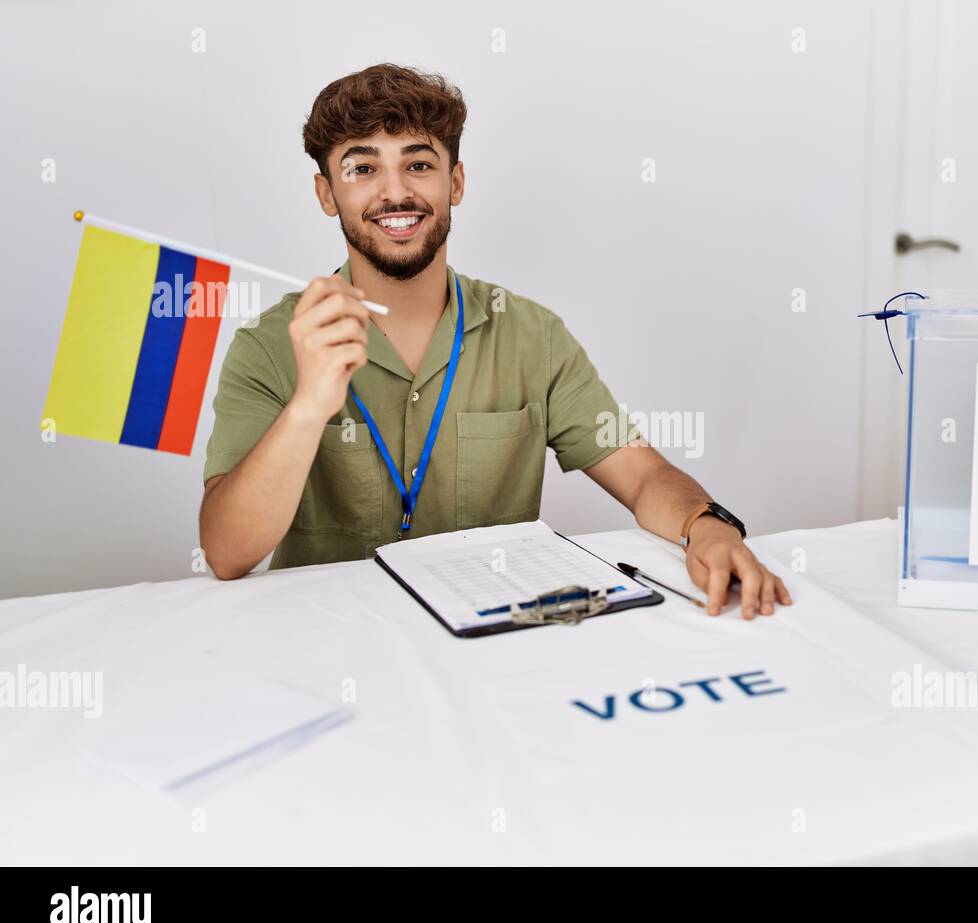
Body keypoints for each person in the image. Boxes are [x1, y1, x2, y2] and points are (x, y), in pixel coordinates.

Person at [199, 64, 791, 620]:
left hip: (490, 646)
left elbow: (640, 476)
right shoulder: (271, 344)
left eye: (419, 164)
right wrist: (308, 407)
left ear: (455, 182)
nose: (395, 192)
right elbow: (227, 553)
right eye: (361, 168)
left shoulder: (533, 334)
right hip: (328, 640)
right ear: (327, 194)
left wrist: (707, 525)